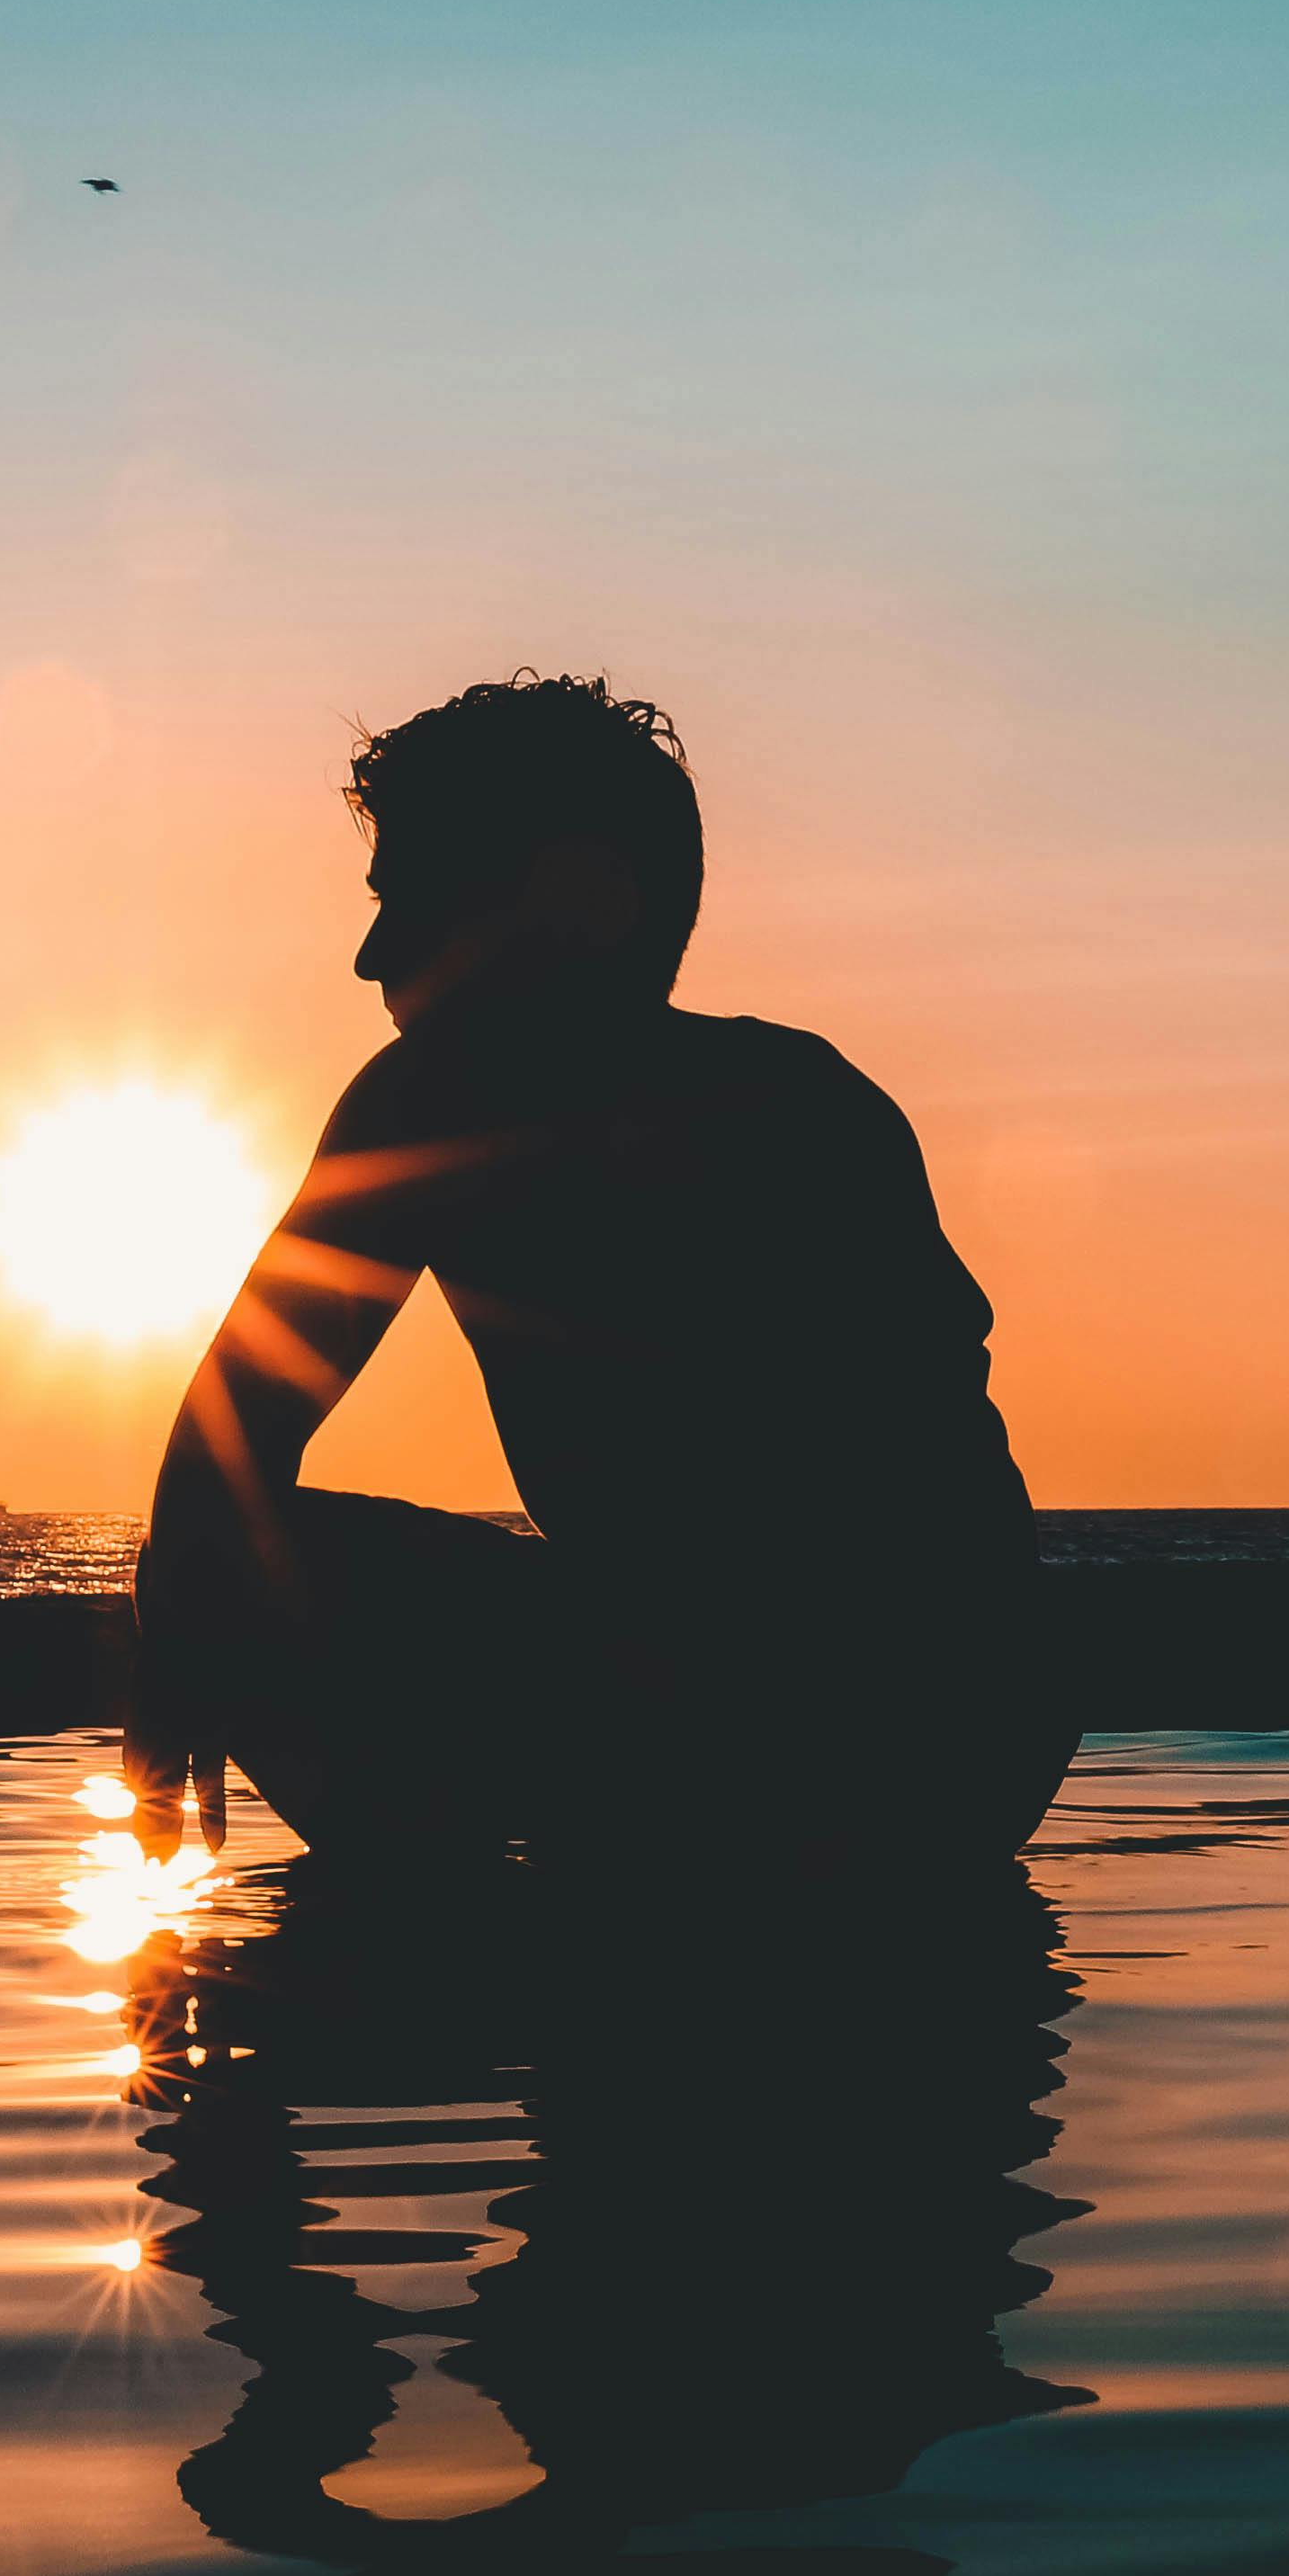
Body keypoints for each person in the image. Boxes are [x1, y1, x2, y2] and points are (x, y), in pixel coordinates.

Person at [122, 673, 1065, 1867]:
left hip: (854, 1734)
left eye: (413, 900)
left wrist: (178, 1670)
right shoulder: (817, 1100)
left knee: (231, 1557)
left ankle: (437, 1941)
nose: (370, 957)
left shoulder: (441, 1103)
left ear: (576, 901)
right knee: (222, 1550)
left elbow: (225, 1448)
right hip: (965, 1754)